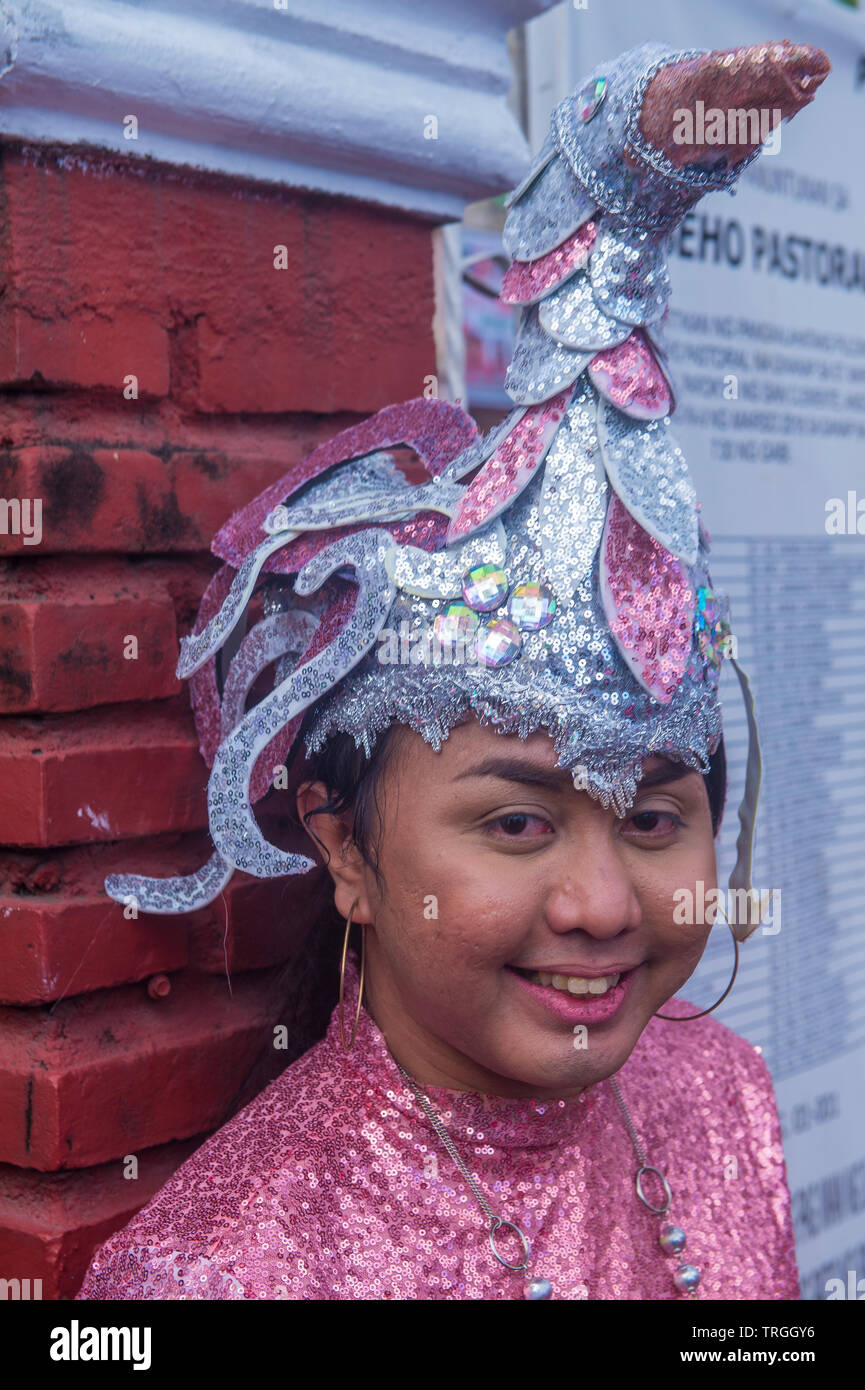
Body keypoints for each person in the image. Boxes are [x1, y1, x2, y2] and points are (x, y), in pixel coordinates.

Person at [75, 36, 829, 1301]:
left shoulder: (717, 1091)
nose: (603, 903)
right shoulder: (213, 1278)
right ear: (350, 853)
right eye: (518, 818)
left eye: (654, 815)